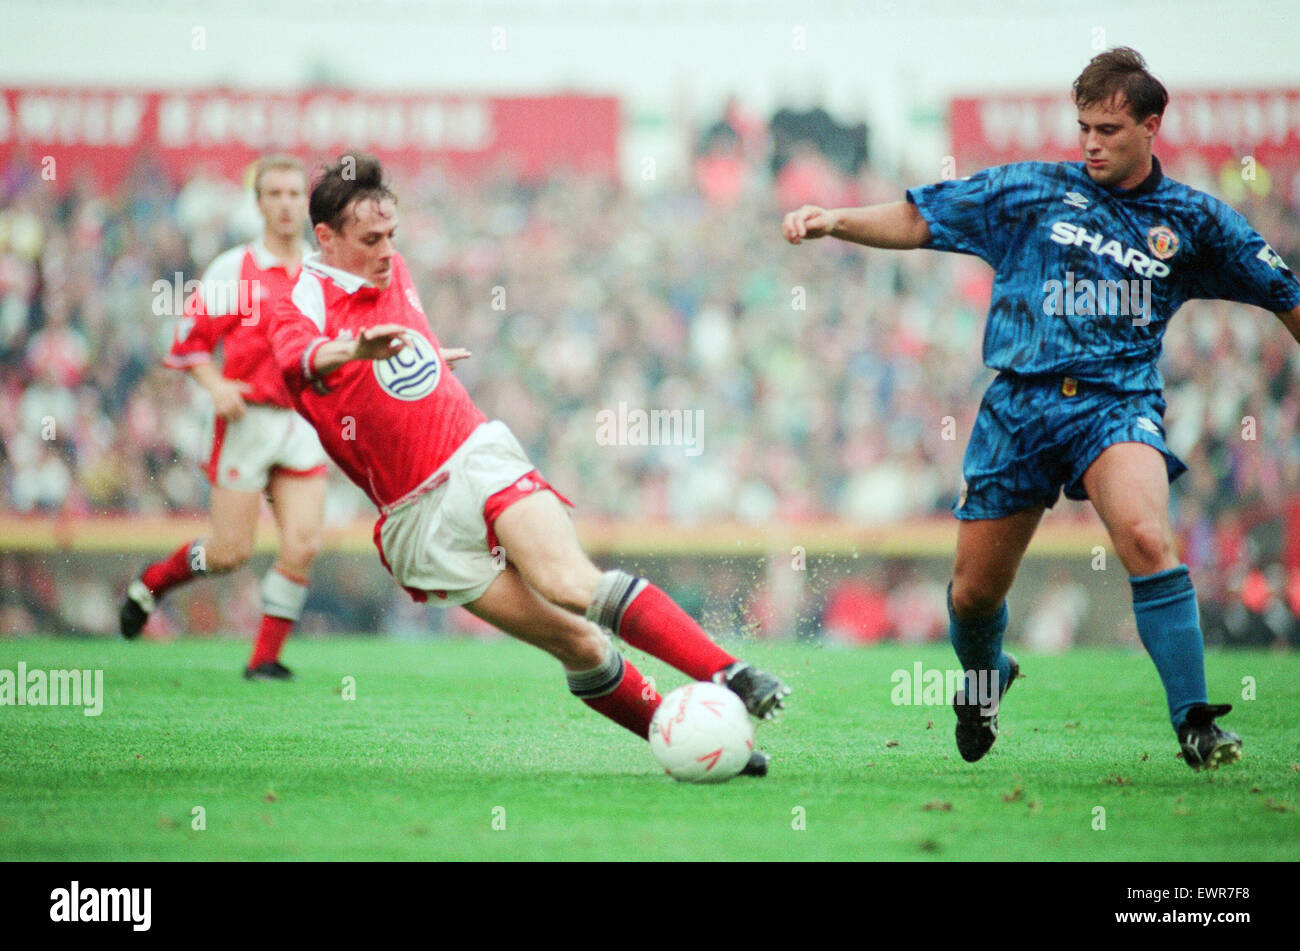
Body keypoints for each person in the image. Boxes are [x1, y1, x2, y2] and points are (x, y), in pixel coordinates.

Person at [782, 47, 1300, 770]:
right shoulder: (1031, 190)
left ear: (1153, 125)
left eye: (1110, 130)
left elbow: (1286, 294)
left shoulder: (1194, 220)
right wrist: (835, 219)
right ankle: (987, 677)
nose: (1091, 141)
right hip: (1019, 408)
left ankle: (1195, 721)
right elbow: (920, 217)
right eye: (1084, 126)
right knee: (970, 596)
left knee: (1149, 538)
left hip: (1116, 406)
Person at [268, 153, 789, 774]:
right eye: (370, 239)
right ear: (324, 238)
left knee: (570, 582)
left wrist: (427, 360)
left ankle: (731, 672)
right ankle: (688, 739)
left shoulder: (395, 270)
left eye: (392, 236)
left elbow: (391, 366)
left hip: (473, 451)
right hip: (416, 520)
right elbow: (301, 362)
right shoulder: (294, 304)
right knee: (578, 641)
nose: (387, 251)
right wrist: (356, 351)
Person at [120, 156, 328, 681]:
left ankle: (264, 660)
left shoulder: (323, 273)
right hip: (247, 420)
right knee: (230, 552)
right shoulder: (233, 268)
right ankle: (154, 583)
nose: (284, 204)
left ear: (307, 203)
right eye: (273, 194)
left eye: (293, 194)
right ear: (258, 204)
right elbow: (189, 345)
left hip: (301, 422)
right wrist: (216, 386)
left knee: (302, 542)